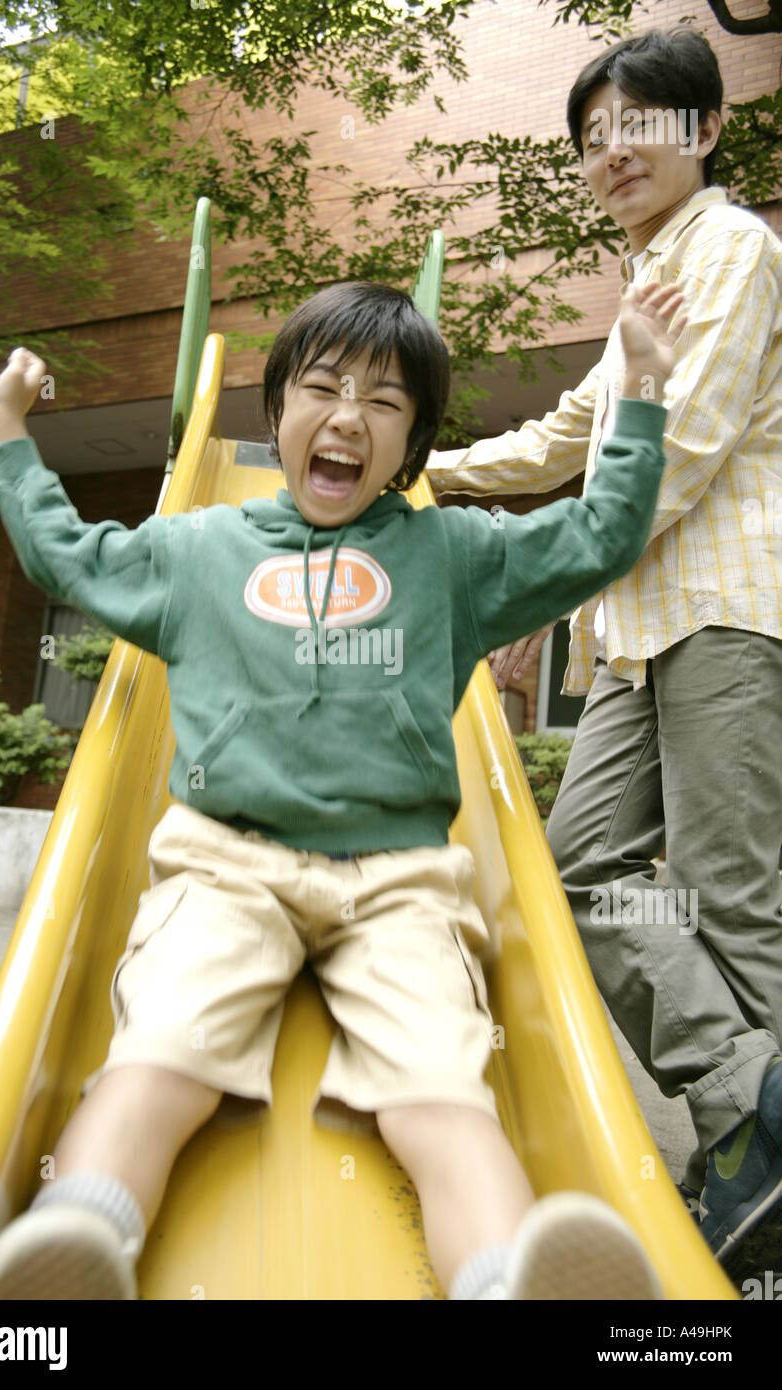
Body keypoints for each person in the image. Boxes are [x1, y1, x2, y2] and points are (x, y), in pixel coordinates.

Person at [0, 275, 683, 1302]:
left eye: (385, 403)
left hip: (398, 881)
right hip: (224, 864)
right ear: (278, 410)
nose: (348, 417)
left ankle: (507, 1280)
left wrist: (642, 393)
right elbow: (65, 558)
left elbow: (597, 539)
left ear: (411, 447)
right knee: (162, 1046)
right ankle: (79, 1238)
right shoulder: (197, 550)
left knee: (442, 1084)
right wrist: (6, 433)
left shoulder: (449, 555)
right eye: (324, 387)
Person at [426, 26, 782, 1283]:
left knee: (729, 900)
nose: (608, 156)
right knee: (576, 867)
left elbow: (675, 448)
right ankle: (750, 1099)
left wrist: (541, 581)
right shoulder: (644, 282)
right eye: (590, 140)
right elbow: (565, 434)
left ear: (701, 131)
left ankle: (754, 1165)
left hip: (728, 613)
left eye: (634, 127)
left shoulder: (734, 248)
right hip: (636, 633)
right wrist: (423, 471)